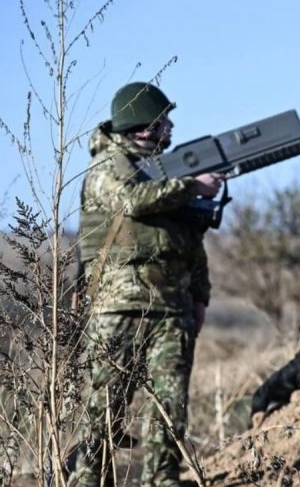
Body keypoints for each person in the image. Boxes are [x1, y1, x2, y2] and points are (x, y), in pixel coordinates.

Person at [73, 82, 224, 486]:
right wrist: (193, 186)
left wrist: (200, 297)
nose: (169, 129)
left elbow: (191, 246)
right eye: (161, 123)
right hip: (117, 309)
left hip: (172, 310)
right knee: (105, 407)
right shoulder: (106, 167)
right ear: (142, 128)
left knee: (170, 407)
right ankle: (90, 479)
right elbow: (133, 201)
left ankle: (162, 479)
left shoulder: (167, 178)